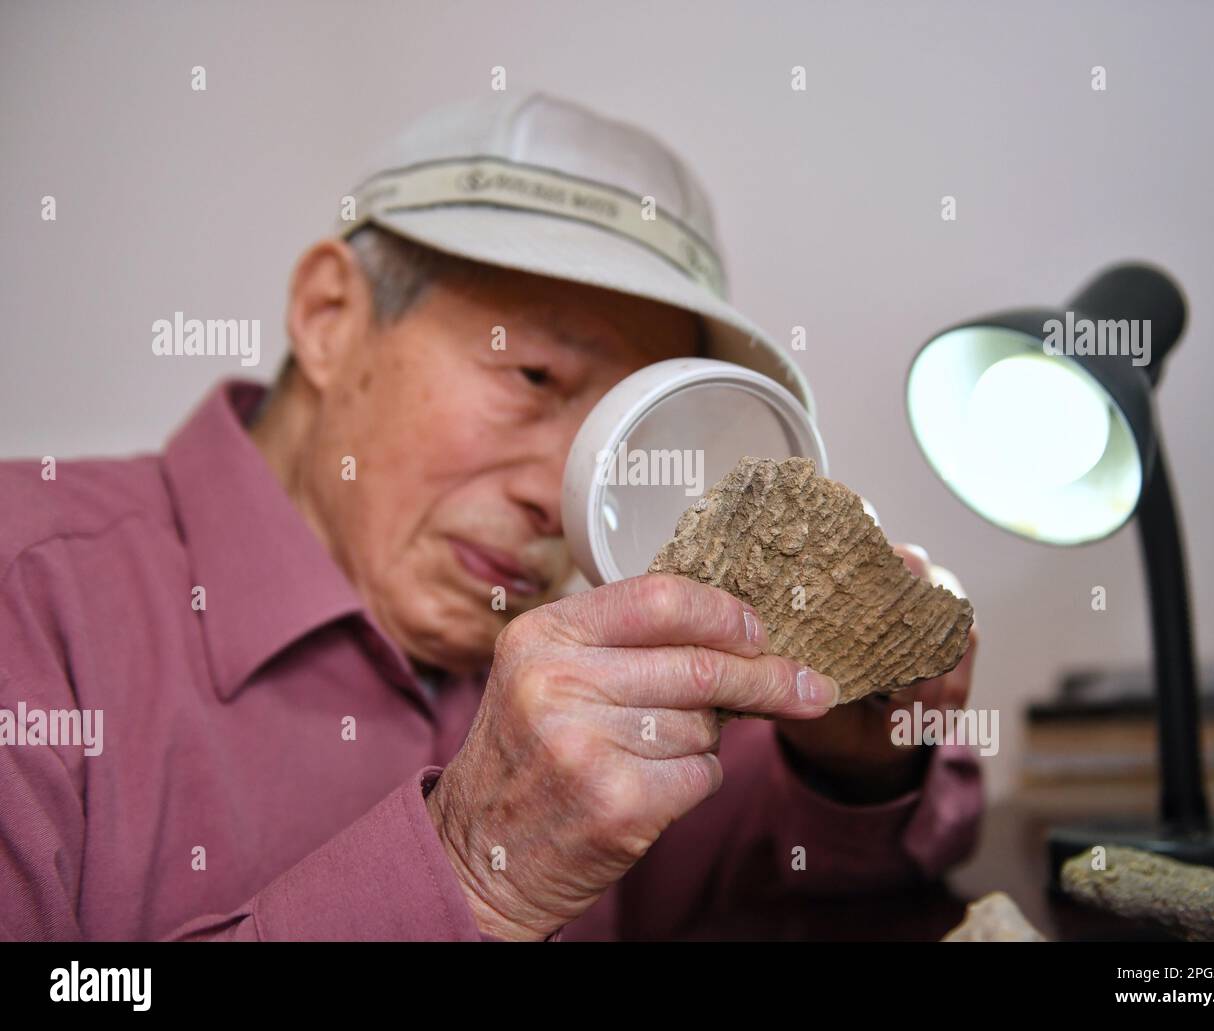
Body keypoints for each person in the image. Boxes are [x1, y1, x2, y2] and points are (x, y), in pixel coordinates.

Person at [0, 92, 981, 941]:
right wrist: (475, 874)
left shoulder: (592, 662)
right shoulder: (32, 598)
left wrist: (853, 766)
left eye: (618, 429)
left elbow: (797, 882)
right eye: (534, 375)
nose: (560, 494)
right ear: (331, 316)